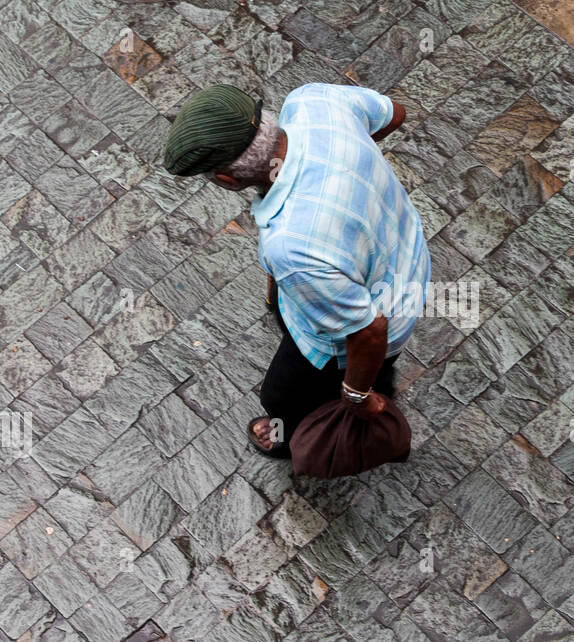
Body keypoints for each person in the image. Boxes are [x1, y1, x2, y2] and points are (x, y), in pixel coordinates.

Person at [163, 83, 430, 457]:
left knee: (280, 393)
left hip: (365, 326)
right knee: (378, 365)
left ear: (227, 180)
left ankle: (287, 436)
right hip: (407, 264)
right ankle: (380, 380)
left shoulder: (292, 247)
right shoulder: (314, 101)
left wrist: (356, 397)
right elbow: (394, 113)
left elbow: (369, 332)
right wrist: (352, 166)